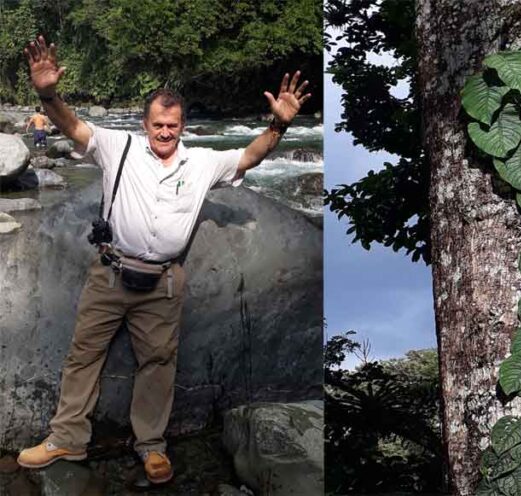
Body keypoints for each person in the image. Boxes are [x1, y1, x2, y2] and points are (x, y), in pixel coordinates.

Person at [16, 35, 311, 484]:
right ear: (144, 123)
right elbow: (74, 127)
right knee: (83, 356)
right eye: (158, 125)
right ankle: (66, 440)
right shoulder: (119, 147)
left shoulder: (202, 164)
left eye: (173, 126)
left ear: (183, 126)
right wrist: (47, 94)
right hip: (110, 274)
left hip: (163, 283)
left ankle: (151, 447)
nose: (165, 133)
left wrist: (278, 127)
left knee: (157, 365)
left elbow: (249, 156)